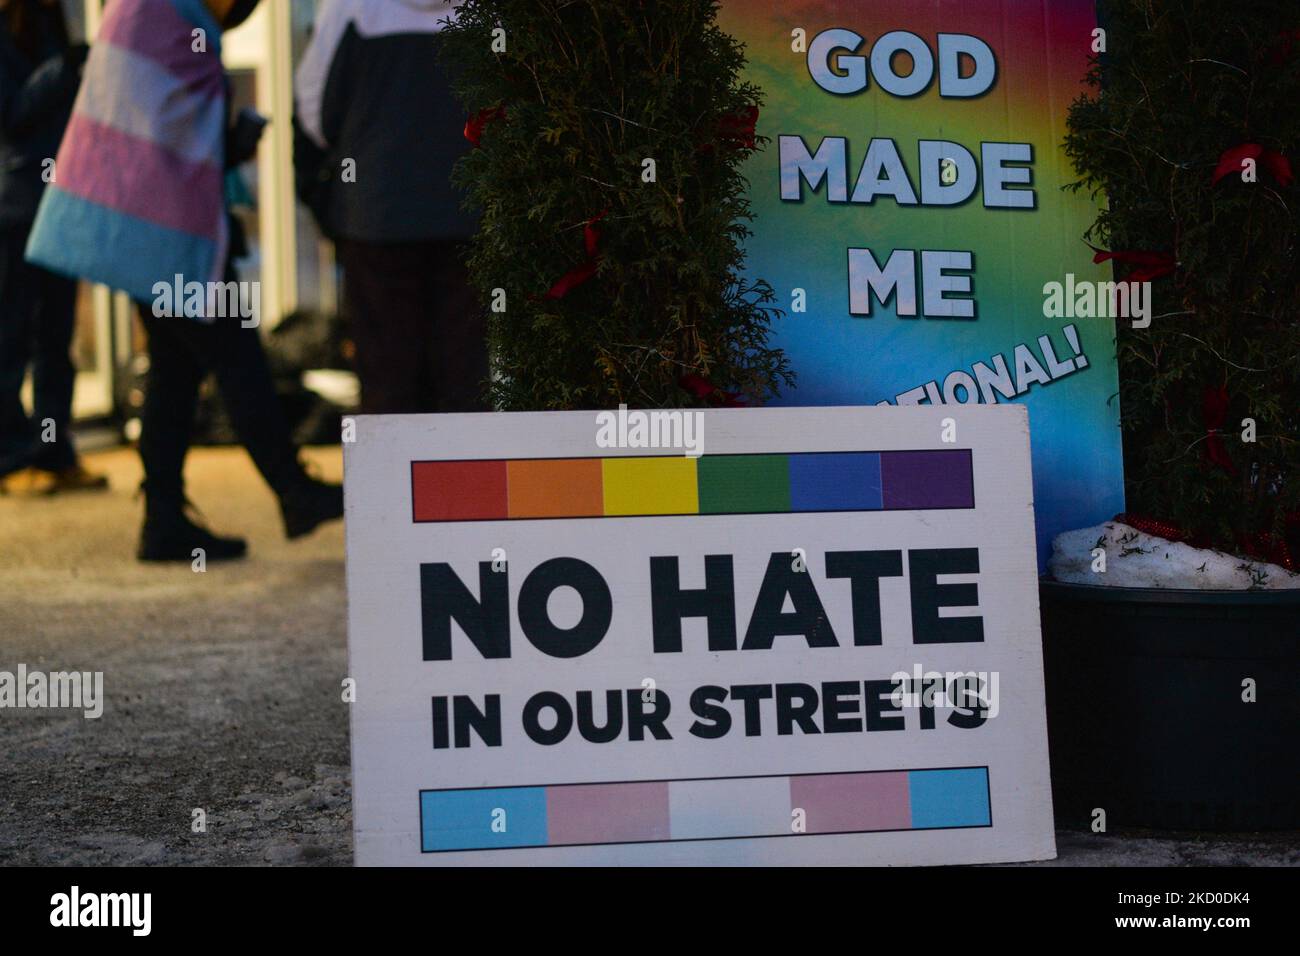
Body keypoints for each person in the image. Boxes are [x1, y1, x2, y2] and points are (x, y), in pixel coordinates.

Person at [25, 0, 342, 561]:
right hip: (168, 227)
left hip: (142, 223)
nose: (230, 15)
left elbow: (162, 116)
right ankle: (293, 491)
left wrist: (225, 139)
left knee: (175, 369)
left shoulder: (145, 12)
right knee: (237, 355)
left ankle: (164, 519)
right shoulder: (169, 16)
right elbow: (167, 126)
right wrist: (232, 139)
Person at [294, 0, 488, 415]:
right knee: (464, 373)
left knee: (387, 376)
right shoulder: (486, 10)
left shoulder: (353, 8)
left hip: (376, 216)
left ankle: (389, 478)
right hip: (468, 214)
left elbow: (314, 107)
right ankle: (460, 476)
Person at [0, 0, 105, 494]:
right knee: (10, 338)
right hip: (13, 206)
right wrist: (65, 69)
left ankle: (53, 450)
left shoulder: (53, 24)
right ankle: (10, 458)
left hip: (63, 200)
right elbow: (12, 112)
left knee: (56, 338)